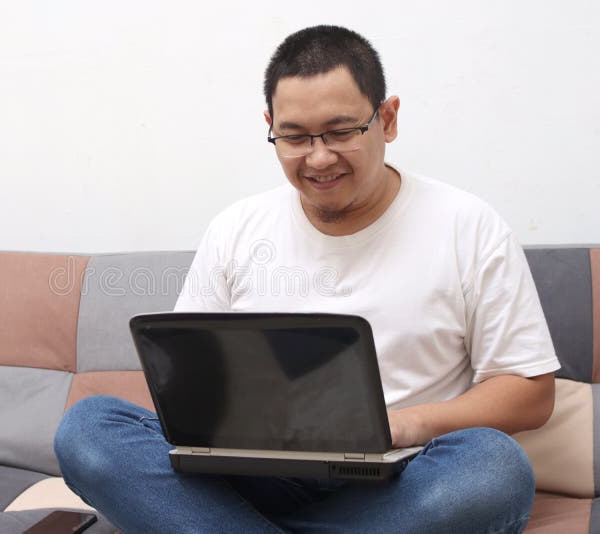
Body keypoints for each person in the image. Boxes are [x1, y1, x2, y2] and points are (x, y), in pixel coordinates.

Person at [54, 25, 560, 533]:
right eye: (295, 137)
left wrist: (403, 425)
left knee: (494, 468)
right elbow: (185, 377)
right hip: (251, 478)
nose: (318, 158)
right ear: (271, 126)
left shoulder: (468, 226)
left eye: (341, 132)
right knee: (88, 427)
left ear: (387, 119)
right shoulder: (236, 228)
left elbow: (530, 392)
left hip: (399, 481)